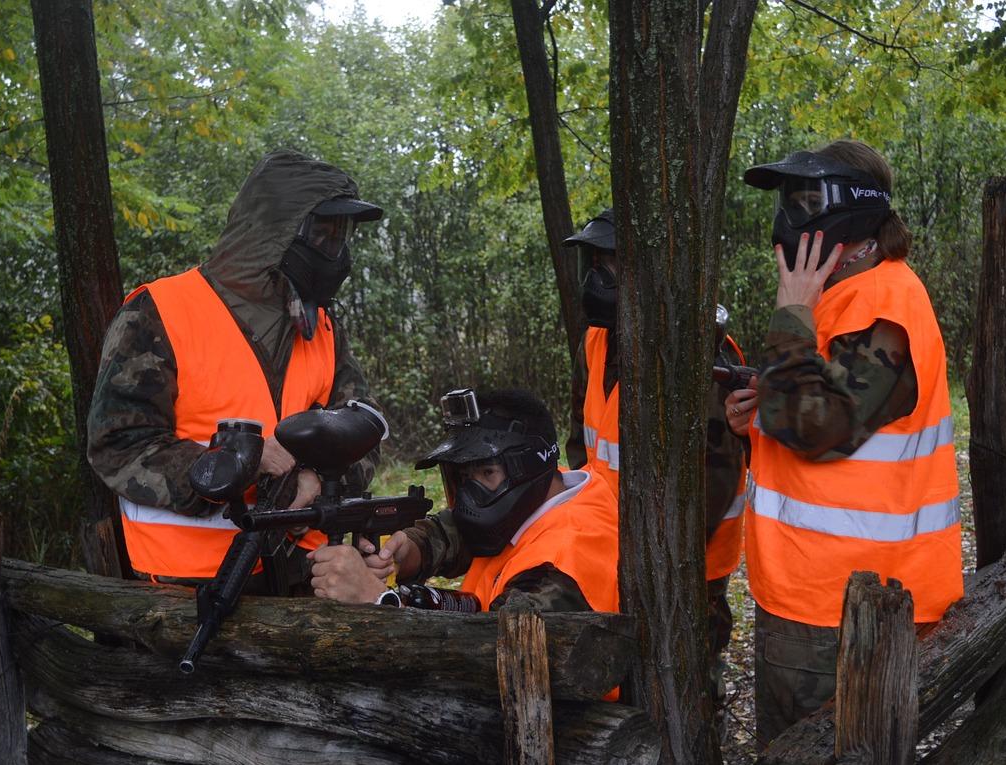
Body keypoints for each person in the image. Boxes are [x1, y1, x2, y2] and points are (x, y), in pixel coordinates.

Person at [728, 140, 962, 745]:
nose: (789, 220)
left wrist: (791, 316)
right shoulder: (849, 297)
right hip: (818, 596)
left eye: (807, 201)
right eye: (788, 201)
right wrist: (755, 418)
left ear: (851, 213)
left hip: (848, 605)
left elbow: (816, 426)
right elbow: (815, 425)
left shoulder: (886, 302)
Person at [87, 149, 384, 592]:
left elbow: (364, 430)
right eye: (323, 234)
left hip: (308, 580)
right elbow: (116, 445)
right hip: (188, 592)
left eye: (340, 236)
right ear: (278, 231)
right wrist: (237, 462)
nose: (336, 253)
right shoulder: (159, 313)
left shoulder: (321, 324)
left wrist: (314, 478)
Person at [563, 208, 747, 701]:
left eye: (612, 263)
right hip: (612, 549)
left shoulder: (699, 356)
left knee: (687, 688)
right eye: (595, 262)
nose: (599, 276)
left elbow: (712, 484)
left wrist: (653, 552)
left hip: (688, 564)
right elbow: (583, 442)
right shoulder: (597, 340)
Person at [307, 388, 619, 616]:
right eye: (462, 477)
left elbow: (494, 652)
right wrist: (405, 551)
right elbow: (452, 532)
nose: (471, 493)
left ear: (530, 466)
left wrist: (379, 601)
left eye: (486, 472)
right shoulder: (549, 492)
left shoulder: (568, 557)